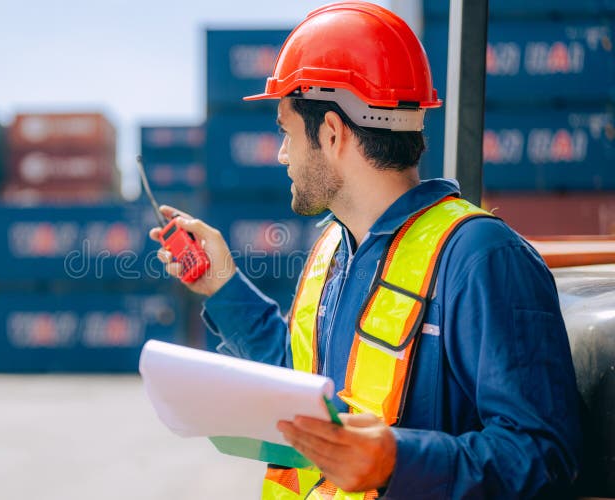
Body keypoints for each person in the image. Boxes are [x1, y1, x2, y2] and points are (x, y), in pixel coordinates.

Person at [150, 2, 581, 498]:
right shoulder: (332, 250)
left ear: (332, 133)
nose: (281, 153)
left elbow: (545, 456)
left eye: (286, 132)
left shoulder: (481, 258)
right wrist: (221, 284)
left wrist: (398, 461)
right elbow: (300, 389)